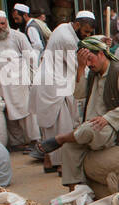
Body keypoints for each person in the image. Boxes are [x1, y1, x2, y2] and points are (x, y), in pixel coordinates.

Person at [36, 36, 119, 190]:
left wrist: (107, 118)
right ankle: (74, 194)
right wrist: (80, 68)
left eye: (91, 59)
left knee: (86, 129)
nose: (89, 64)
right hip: (93, 128)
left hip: (115, 128)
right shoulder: (92, 73)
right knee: (69, 148)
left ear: (101, 54)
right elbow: (78, 95)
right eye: (86, 62)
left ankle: (61, 138)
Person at [34, 9, 95, 173]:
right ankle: (62, 165)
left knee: (50, 126)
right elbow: (78, 70)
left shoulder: (63, 27)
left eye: (90, 33)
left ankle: (48, 162)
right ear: (76, 25)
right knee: (62, 126)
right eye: (85, 32)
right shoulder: (68, 40)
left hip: (49, 81)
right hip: (54, 86)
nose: (87, 36)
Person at [0, 9, 38, 149]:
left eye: (2, 23)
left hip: (20, 82)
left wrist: (33, 78)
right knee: (9, 113)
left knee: (26, 111)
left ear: (7, 23)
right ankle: (17, 142)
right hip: (3, 84)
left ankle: (34, 140)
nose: (0, 27)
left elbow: (31, 58)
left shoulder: (18, 36)